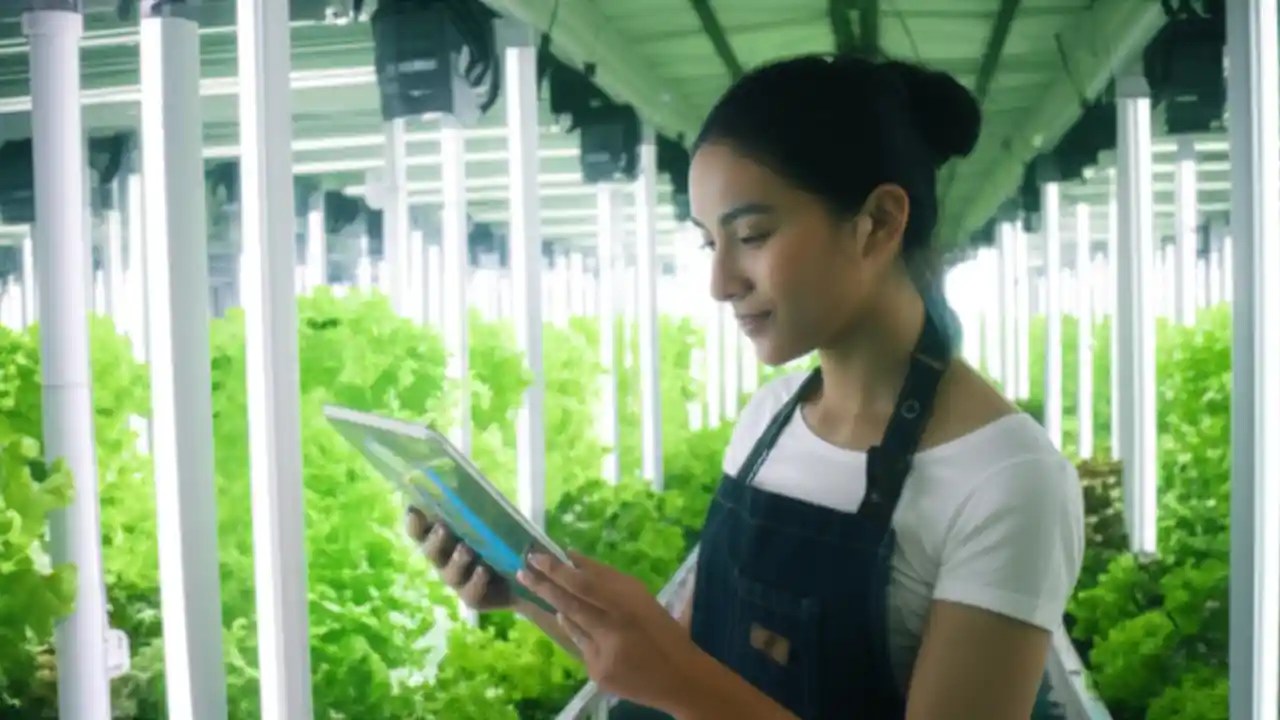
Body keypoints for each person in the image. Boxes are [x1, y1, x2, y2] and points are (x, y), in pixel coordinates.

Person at [405, 53, 1084, 720]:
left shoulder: (1007, 480)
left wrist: (676, 679)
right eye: (709, 244)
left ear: (878, 222)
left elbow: (687, 683)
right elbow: (698, 667)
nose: (720, 282)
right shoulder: (768, 422)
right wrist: (524, 594)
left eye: (752, 235)